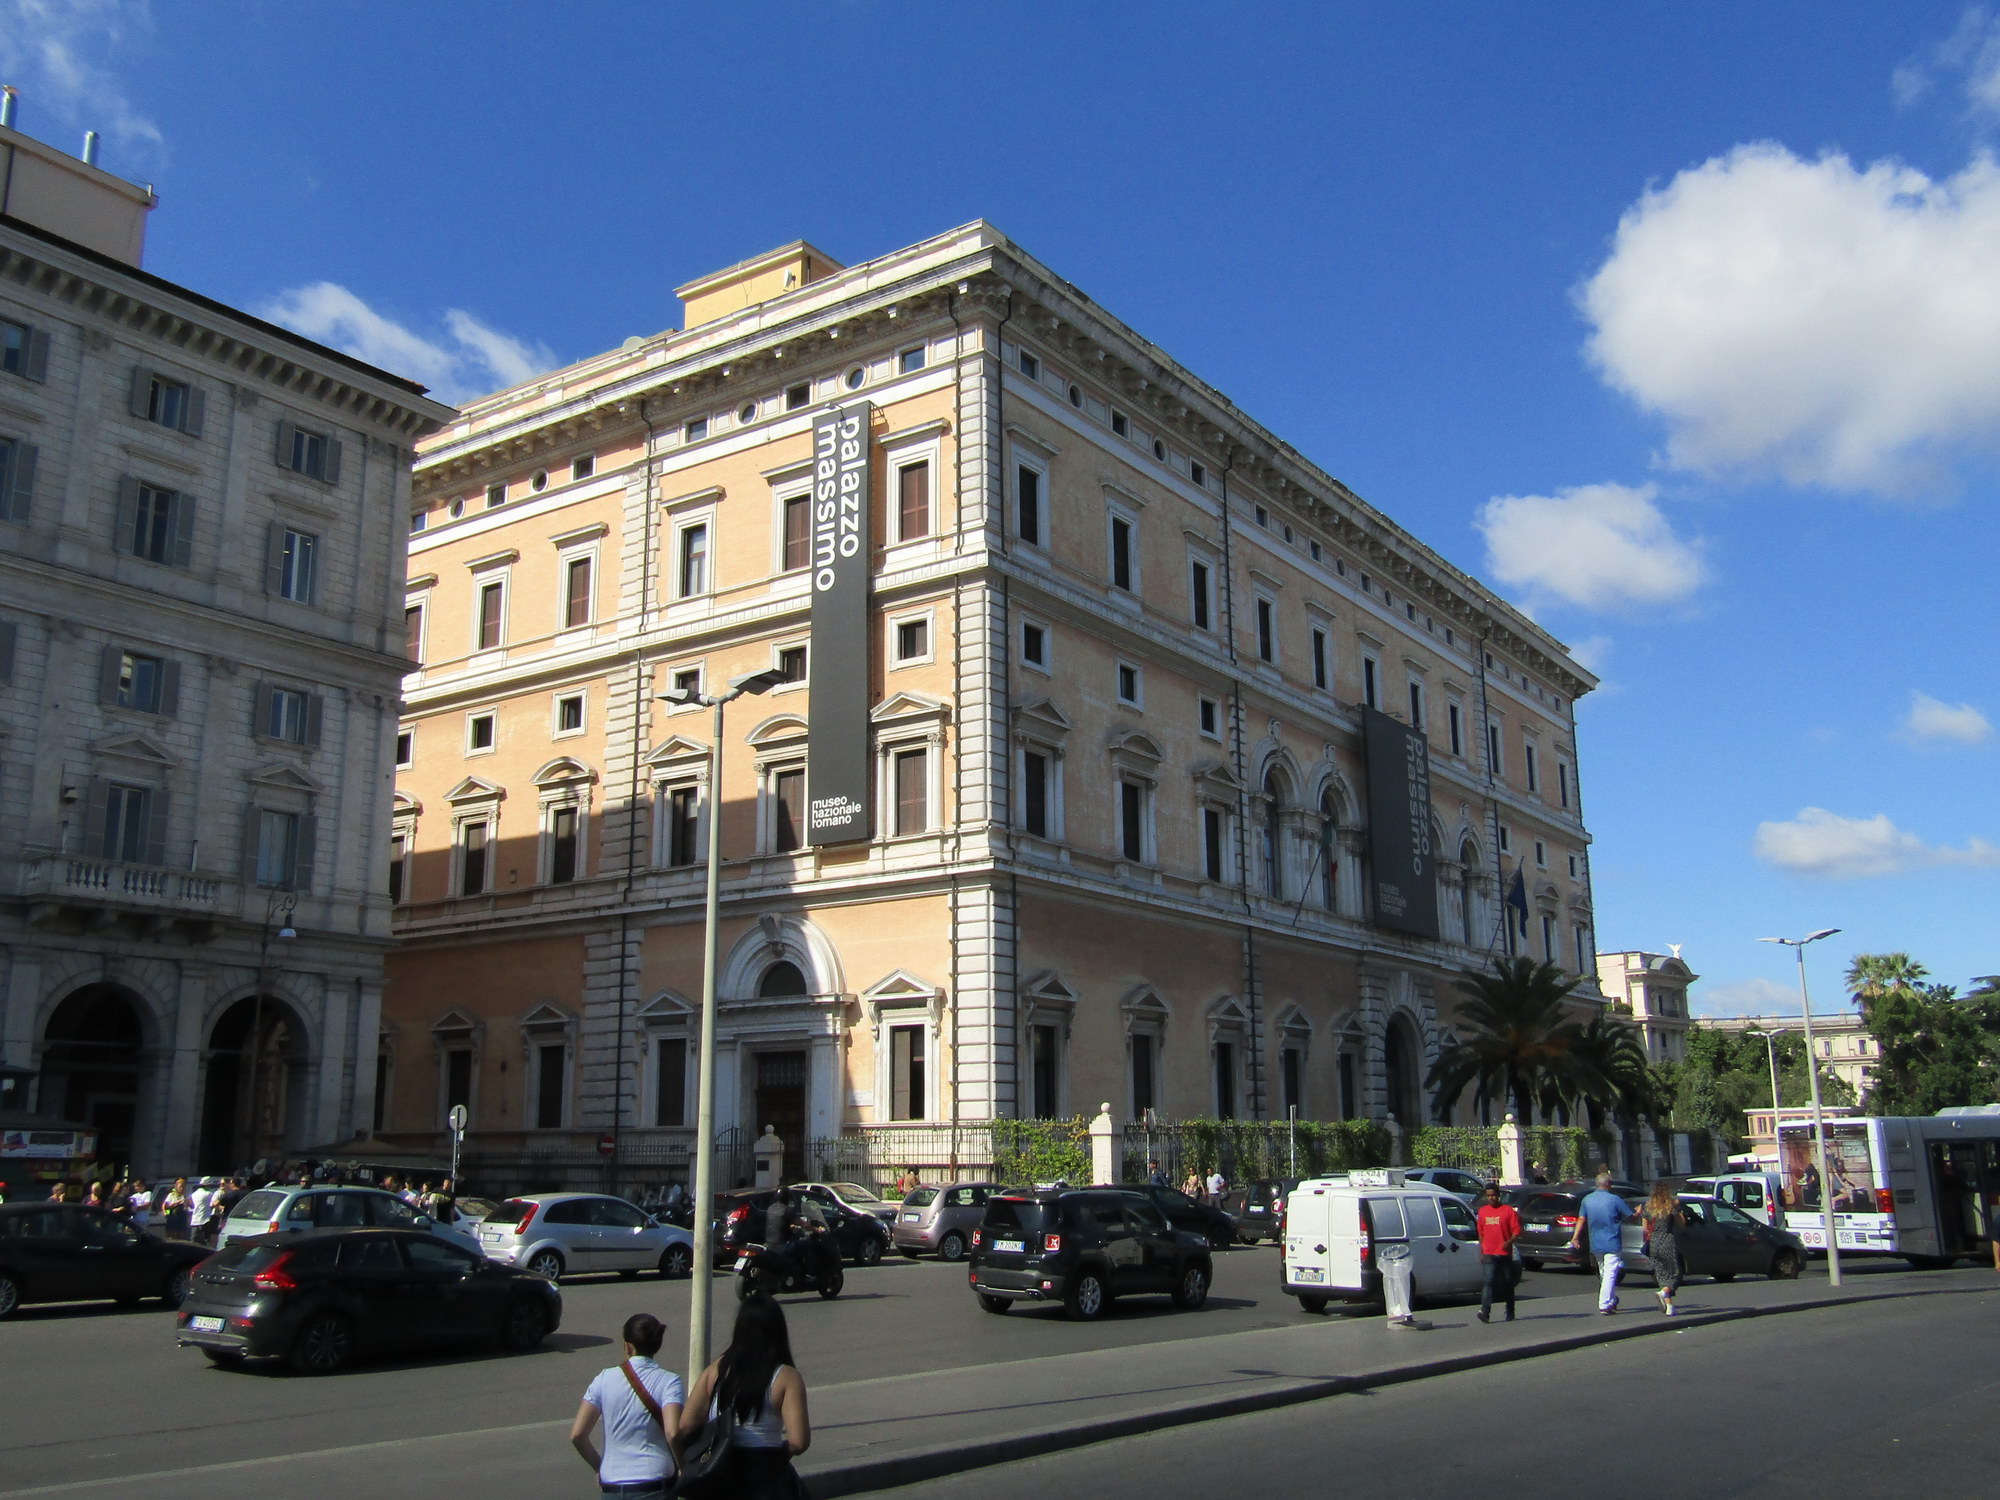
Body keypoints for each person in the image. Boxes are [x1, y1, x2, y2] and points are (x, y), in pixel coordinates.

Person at [677, 1296, 811, 1500]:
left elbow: (686, 1423)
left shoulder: (716, 1369)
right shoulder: (786, 1377)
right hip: (766, 1476)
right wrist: (780, 1455)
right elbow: (799, 1441)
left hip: (722, 1473)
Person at [570, 1311, 685, 1499]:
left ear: (628, 1346)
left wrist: (600, 1467)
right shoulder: (669, 1382)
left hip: (613, 1487)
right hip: (655, 1485)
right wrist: (683, 1467)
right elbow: (672, 1433)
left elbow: (577, 1435)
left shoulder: (604, 1379)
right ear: (658, 1345)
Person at [1569, 1172, 1636, 1314]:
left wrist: (1575, 1237)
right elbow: (1630, 1217)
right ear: (1609, 1184)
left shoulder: (1587, 1200)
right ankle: (1604, 1303)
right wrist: (1638, 1212)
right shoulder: (1615, 1199)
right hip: (1612, 1242)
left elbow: (1581, 1219)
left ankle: (1611, 1300)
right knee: (1610, 1273)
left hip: (1596, 1243)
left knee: (1604, 1272)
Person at [1474, 1183, 1523, 1323]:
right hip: (1489, 1252)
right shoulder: (1483, 1212)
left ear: (1498, 1195)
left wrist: (1508, 1242)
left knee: (1508, 1282)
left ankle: (1510, 1310)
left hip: (1504, 1253)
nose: (1491, 1198)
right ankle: (1485, 1311)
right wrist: (1482, 1250)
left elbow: (1516, 1231)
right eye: (1488, 1196)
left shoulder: (1508, 1211)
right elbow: (1481, 1232)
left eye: (1493, 1195)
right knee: (1488, 1281)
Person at [1641, 1183, 1686, 1316]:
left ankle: (1669, 1306)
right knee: (1676, 1272)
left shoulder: (1648, 1207)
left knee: (1662, 1274)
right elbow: (1682, 1224)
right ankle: (1664, 1292)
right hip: (1667, 1241)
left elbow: (1644, 1228)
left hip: (1653, 1243)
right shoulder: (1670, 1206)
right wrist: (1678, 1209)